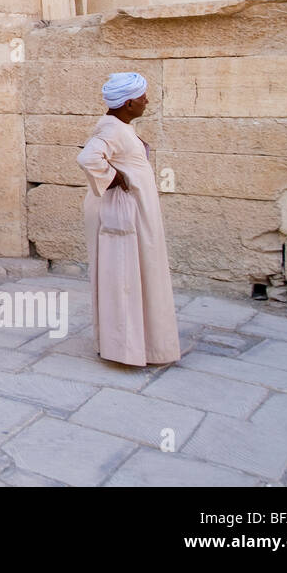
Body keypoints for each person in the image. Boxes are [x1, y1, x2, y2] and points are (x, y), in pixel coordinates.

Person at [76, 72, 181, 367]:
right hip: (123, 215)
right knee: (123, 279)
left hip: (137, 212)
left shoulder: (120, 126)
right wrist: (117, 177)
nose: (147, 101)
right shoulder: (113, 130)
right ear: (129, 102)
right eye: (143, 96)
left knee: (140, 276)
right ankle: (124, 348)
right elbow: (88, 159)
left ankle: (143, 345)